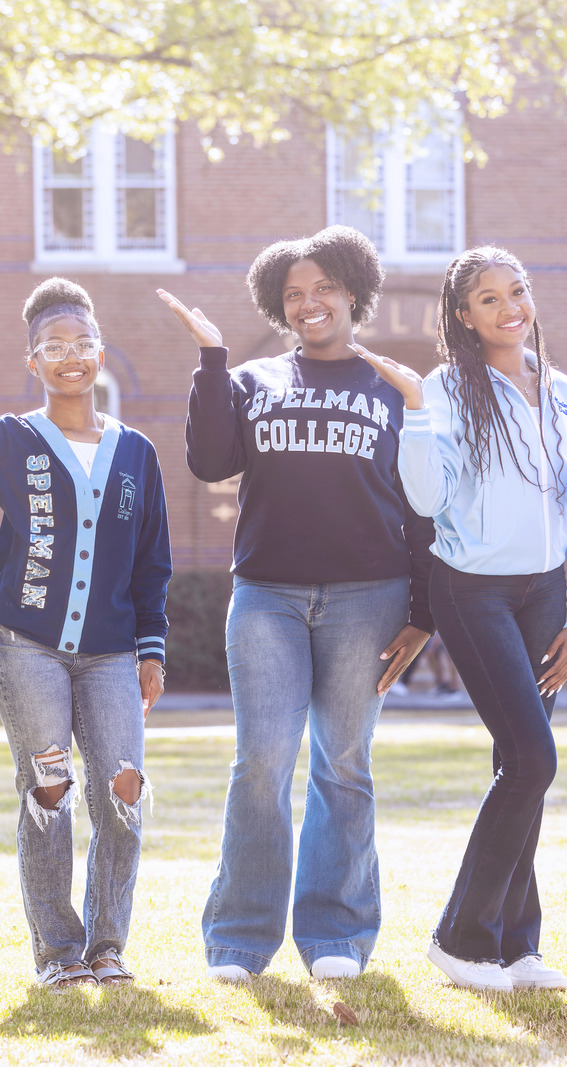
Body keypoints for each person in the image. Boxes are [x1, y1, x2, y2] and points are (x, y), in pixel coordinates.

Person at [163, 225, 435, 982]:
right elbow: (209, 461)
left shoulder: (393, 387)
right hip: (268, 596)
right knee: (261, 761)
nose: (309, 303)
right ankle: (240, 940)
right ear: (277, 306)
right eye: (293, 294)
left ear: (354, 292)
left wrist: (424, 611)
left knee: (343, 763)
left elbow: (423, 505)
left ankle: (336, 935)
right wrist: (212, 360)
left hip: (368, 597)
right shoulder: (252, 380)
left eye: (324, 288)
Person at [0, 278, 171, 990]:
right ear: (34, 361)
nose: (69, 356)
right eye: (54, 346)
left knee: (123, 789)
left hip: (112, 654)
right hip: (27, 650)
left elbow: (152, 563)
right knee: (49, 790)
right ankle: (58, 952)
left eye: (82, 344)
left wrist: (152, 648)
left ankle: (107, 946)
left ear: (100, 354)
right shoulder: (11, 440)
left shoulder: (136, 452)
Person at [363, 246, 567, 993]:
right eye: (489, 299)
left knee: (518, 764)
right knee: (532, 759)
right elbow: (427, 500)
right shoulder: (445, 389)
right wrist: (414, 410)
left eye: (517, 291)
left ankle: (516, 946)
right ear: (463, 316)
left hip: (547, 593)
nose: (509, 308)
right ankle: (461, 940)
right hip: (474, 591)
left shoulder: (559, 390)